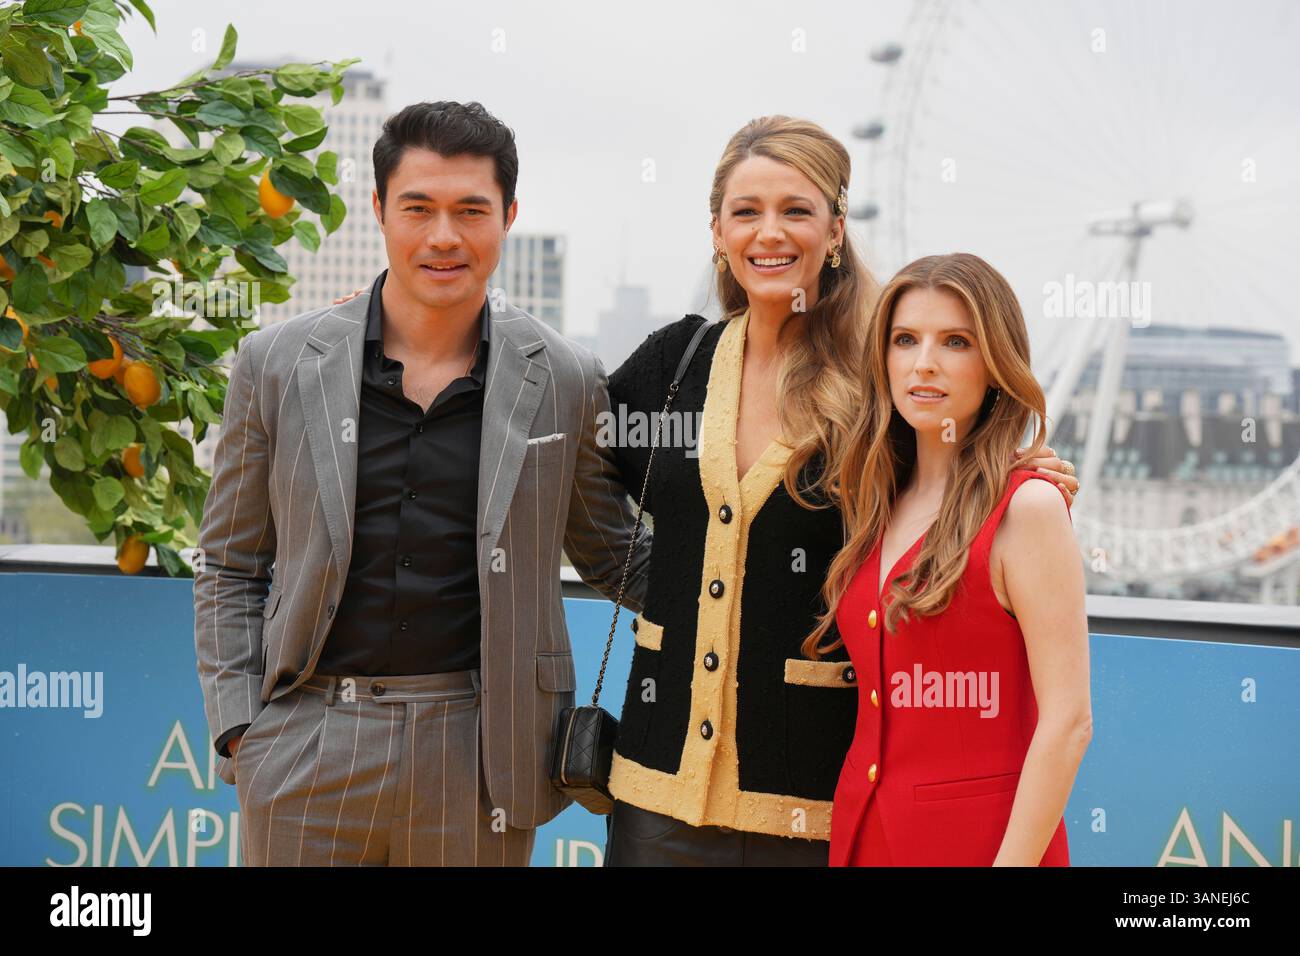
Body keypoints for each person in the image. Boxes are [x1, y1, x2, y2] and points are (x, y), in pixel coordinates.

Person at [600, 117, 1080, 866]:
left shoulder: (881, 380)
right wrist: (657, 583)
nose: (771, 233)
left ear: (835, 229)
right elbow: (582, 472)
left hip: (817, 803)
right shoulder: (673, 364)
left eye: (797, 210)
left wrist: (1028, 478)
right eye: (746, 211)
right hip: (654, 795)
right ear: (718, 230)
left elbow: (957, 477)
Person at [193, 101, 651, 866]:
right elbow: (229, 563)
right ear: (379, 211)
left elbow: (614, 556)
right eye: (419, 209)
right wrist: (242, 728)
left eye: (471, 210)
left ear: (508, 214)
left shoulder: (566, 379)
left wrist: (764, 592)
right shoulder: (275, 362)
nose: (444, 236)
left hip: (481, 753)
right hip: (305, 742)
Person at [809, 252, 1093, 867]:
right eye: (905, 339)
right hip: (863, 839)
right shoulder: (876, 505)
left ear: (995, 365)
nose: (924, 362)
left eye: (955, 342)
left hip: (982, 848)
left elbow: (1068, 722)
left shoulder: (1029, 508)